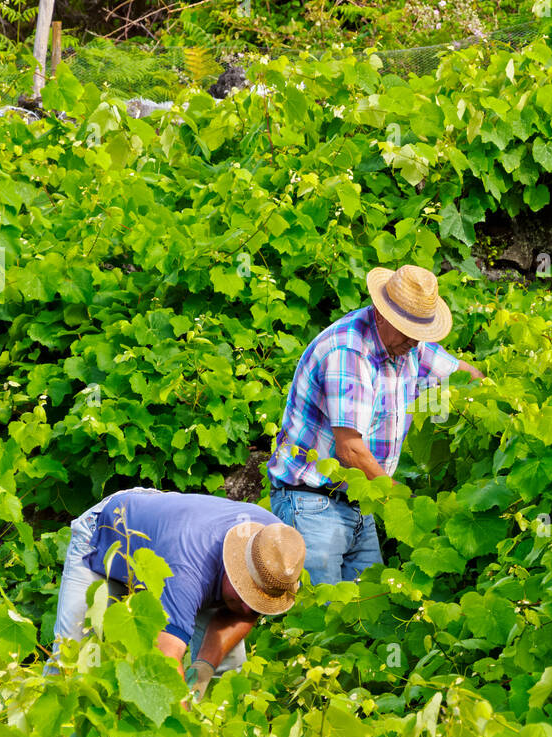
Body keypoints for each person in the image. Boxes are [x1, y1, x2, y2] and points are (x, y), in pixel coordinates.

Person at [267, 263, 482, 587]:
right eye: (407, 330)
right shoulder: (349, 351)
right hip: (312, 504)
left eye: (419, 332)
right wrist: (402, 502)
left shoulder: (408, 345)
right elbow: (350, 449)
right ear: (381, 315)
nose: (414, 341)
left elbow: (464, 376)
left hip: (359, 500)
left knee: (369, 613)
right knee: (319, 620)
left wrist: (496, 396)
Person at [49, 488, 306, 702]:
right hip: (109, 532)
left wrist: (204, 666)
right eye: (244, 595)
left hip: (168, 529)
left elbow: (243, 609)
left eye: (258, 602)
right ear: (233, 567)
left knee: (229, 669)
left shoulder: (278, 547)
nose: (249, 611)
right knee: (73, 655)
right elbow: (166, 661)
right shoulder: (186, 571)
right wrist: (183, 732)